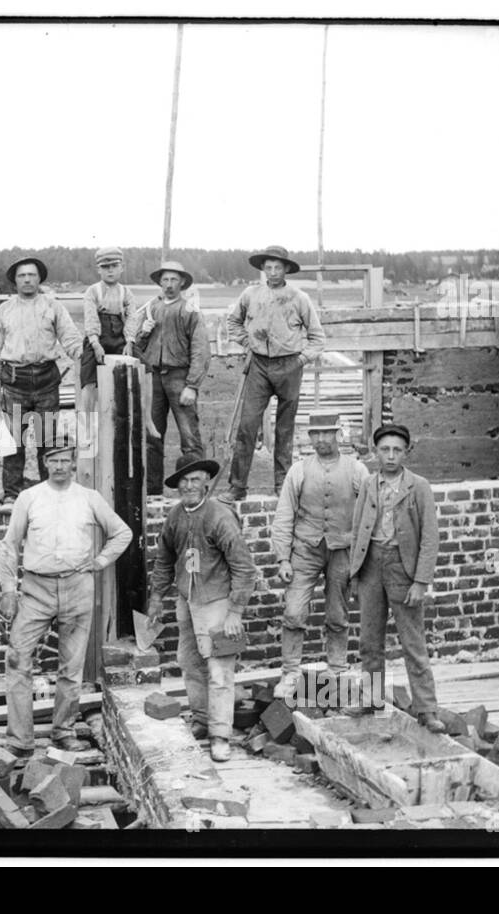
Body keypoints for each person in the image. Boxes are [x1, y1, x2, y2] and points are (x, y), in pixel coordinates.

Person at [0, 442, 132, 756]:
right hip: (36, 590)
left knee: (71, 668)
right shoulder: (29, 498)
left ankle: (63, 731)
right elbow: (9, 545)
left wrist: (99, 562)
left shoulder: (89, 498)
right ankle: (20, 739)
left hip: (77, 588)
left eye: (65, 460)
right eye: (53, 460)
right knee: (18, 659)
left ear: (73, 463)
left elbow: (122, 533)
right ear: (45, 464)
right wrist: (8, 591)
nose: (59, 466)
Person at [146, 456, 258, 762]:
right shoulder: (175, 517)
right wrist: (157, 598)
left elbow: (245, 568)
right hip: (187, 600)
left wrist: (235, 611)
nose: (188, 486)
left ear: (207, 482)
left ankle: (221, 734)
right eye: (183, 481)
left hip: (218, 602)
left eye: (195, 479)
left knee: (219, 670)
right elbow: (164, 560)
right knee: (189, 662)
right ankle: (201, 719)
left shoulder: (220, 516)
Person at [348, 424, 445, 732]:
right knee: (369, 640)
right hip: (371, 566)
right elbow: (358, 528)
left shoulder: (419, 486)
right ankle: (371, 697)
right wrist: (355, 574)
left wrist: (420, 581)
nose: (390, 456)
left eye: (397, 450)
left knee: (412, 641)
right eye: (385, 449)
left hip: (403, 569)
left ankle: (427, 709)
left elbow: (430, 538)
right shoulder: (368, 484)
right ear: (376, 451)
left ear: (407, 452)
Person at [271, 412, 370, 701]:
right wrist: (283, 559)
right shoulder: (298, 470)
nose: (323, 439)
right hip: (305, 549)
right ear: (309, 437)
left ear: (338, 434)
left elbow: (368, 515)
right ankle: (290, 671)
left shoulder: (357, 470)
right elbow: (284, 515)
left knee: (338, 613)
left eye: (328, 433)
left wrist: (363, 558)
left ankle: (337, 668)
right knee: (293, 611)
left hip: (343, 550)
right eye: (317, 434)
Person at [219, 245, 325, 500]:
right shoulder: (250, 294)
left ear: (286, 269)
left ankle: (282, 485)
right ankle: (237, 487)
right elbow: (233, 322)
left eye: (278, 267)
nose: (273, 272)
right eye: (269, 267)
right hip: (258, 365)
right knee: (247, 426)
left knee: (285, 428)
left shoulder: (299, 298)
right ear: (263, 269)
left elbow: (318, 338)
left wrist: (300, 360)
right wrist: (247, 343)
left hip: (289, 365)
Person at [0, 256, 84, 513]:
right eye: (22, 275)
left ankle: (49, 494)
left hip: (45, 382)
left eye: (32, 275)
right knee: (13, 441)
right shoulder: (4, 311)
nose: (27, 279)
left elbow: (70, 338)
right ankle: (11, 495)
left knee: (46, 440)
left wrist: (84, 352)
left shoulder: (52, 307)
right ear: (15, 280)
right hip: (14, 383)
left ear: (39, 278)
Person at [129, 260, 210, 494]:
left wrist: (192, 385)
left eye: (174, 280)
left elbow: (201, 350)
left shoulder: (189, 311)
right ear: (159, 283)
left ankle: (196, 490)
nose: (169, 285)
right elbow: (135, 347)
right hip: (153, 378)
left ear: (182, 282)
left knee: (189, 437)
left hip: (179, 378)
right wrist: (143, 332)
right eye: (165, 280)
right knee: (151, 435)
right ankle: (153, 492)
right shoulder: (150, 309)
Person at [78, 247, 136, 388]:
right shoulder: (92, 291)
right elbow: (91, 318)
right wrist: (95, 344)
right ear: (99, 269)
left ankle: (131, 409)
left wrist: (130, 341)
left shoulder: (126, 292)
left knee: (142, 367)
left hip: (120, 337)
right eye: (105, 267)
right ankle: (89, 411)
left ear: (121, 268)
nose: (110, 270)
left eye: (114, 266)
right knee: (89, 378)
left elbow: (131, 319)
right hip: (98, 337)